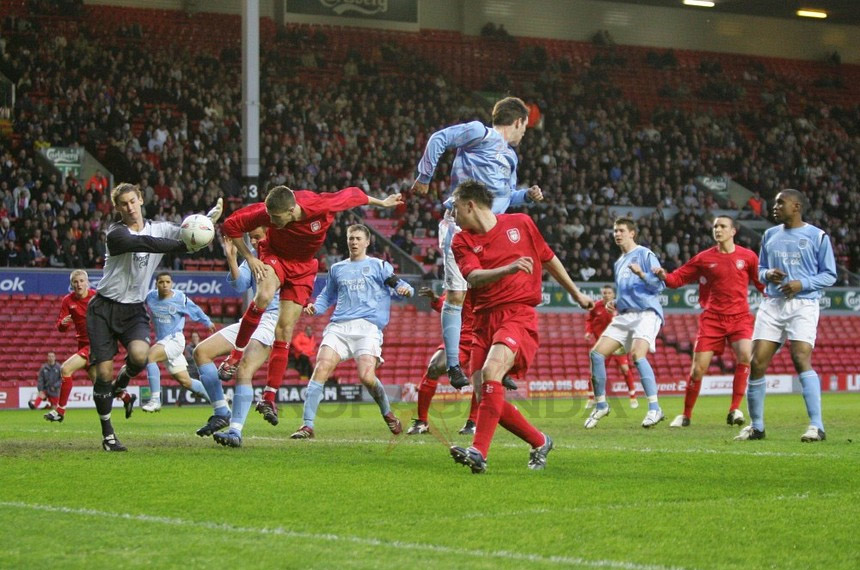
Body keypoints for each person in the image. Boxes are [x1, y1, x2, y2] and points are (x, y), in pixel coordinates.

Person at [220, 185, 403, 427]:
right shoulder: (268, 213)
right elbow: (230, 226)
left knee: (284, 330)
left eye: (277, 218)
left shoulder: (320, 205)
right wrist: (250, 256)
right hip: (275, 256)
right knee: (263, 296)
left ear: (292, 209)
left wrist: (383, 202)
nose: (271, 222)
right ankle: (234, 356)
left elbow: (353, 195)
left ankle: (270, 396)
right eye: (270, 217)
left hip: (304, 268)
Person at [447, 180, 593, 473]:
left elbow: (548, 258)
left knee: (491, 373)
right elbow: (473, 277)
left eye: (454, 208)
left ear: (469, 205)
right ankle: (540, 441)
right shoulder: (460, 240)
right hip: (482, 321)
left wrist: (576, 293)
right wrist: (510, 267)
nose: (452, 214)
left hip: (517, 314)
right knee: (485, 392)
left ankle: (479, 452)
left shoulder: (521, 223)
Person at [412, 96, 544, 390]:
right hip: (460, 226)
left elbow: (507, 196)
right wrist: (424, 176)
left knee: (497, 300)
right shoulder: (478, 133)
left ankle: (495, 361)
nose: (524, 133)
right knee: (457, 295)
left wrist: (527, 196)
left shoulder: (510, 158)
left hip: (492, 235)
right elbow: (439, 138)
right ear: (519, 121)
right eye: (525, 127)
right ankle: (453, 363)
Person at [85, 182, 221, 451]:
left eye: (133, 201)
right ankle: (108, 434)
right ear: (118, 209)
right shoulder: (116, 234)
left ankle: (122, 381)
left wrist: (206, 222)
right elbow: (147, 243)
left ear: (140, 201)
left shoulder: (160, 227)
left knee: (139, 356)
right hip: (103, 307)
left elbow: (187, 232)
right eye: (123, 204)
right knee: (102, 372)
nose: (129, 207)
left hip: (133, 308)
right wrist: (184, 247)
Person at [289, 224, 413, 439]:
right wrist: (315, 308)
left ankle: (387, 412)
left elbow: (399, 283)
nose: (353, 242)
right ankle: (307, 425)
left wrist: (406, 289)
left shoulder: (379, 266)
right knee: (320, 368)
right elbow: (327, 296)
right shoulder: (337, 269)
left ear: (367, 242)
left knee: (366, 377)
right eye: (350, 238)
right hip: (339, 327)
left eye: (357, 238)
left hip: (368, 329)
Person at [735, 189, 836, 442]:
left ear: (797, 206)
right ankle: (756, 427)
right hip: (772, 304)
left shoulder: (817, 236)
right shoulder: (769, 235)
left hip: (803, 304)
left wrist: (801, 284)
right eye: (776, 203)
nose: (775, 206)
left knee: (800, 357)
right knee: (757, 362)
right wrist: (767, 275)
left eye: (781, 202)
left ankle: (816, 426)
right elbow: (759, 270)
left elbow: (830, 274)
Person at [653, 216, 765, 428]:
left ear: (733, 231)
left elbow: (762, 284)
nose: (718, 229)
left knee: (745, 356)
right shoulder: (704, 258)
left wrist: (779, 294)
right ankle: (686, 415)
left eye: (723, 226)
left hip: (740, 317)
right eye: (715, 226)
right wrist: (663, 275)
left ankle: (735, 409)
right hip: (712, 319)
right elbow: (678, 279)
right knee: (698, 370)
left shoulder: (748, 257)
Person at [197, 230, 280, 446]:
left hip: (272, 319)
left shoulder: (282, 253)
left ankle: (235, 431)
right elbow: (239, 285)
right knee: (201, 352)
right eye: (250, 237)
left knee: (244, 369)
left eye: (257, 236)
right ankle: (221, 411)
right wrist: (232, 258)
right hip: (252, 317)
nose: (253, 241)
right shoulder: (253, 254)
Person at [584, 217, 666, 430]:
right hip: (625, 315)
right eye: (614, 231)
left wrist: (642, 273)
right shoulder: (619, 262)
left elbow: (659, 285)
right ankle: (601, 404)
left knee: (637, 356)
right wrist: (615, 302)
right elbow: (627, 294)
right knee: (597, 354)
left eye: (621, 230)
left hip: (646, 313)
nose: (617, 234)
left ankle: (655, 408)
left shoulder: (645, 254)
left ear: (632, 233)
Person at [406, 288, 516, 437]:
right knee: (434, 367)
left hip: (485, 337)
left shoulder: (489, 281)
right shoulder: (460, 281)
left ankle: (472, 422)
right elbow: (448, 306)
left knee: (482, 378)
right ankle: (422, 421)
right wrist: (436, 298)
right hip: (460, 339)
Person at [141, 272, 216, 412]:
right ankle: (218, 399)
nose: (165, 285)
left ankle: (155, 400)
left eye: (167, 282)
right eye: (161, 282)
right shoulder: (150, 297)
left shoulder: (180, 298)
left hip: (175, 339)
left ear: (172, 283)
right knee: (186, 381)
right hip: (163, 341)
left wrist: (207, 322)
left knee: (150, 357)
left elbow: (195, 309)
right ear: (156, 284)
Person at [45, 270, 97, 422]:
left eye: (81, 281)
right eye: (75, 281)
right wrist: (63, 324)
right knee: (101, 386)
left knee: (65, 369)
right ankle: (126, 397)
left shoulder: (96, 297)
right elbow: (61, 327)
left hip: (94, 345)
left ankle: (60, 411)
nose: (79, 284)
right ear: (71, 284)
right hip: (82, 344)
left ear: (87, 282)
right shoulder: (67, 300)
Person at [583, 285, 639, 410]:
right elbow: (589, 320)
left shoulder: (620, 307)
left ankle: (633, 397)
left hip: (617, 343)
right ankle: (591, 398)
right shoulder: (596, 306)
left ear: (613, 295)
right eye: (604, 293)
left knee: (625, 368)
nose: (606, 295)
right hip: (602, 344)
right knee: (594, 371)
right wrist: (588, 331)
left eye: (609, 293)